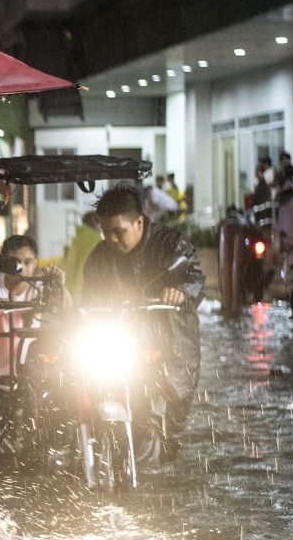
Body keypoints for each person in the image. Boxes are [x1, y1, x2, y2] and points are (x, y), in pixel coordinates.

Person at [81, 184, 204, 456]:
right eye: (105, 232)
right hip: (123, 344)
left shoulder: (170, 243)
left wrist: (180, 292)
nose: (111, 239)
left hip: (172, 348)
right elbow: (87, 302)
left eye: (119, 232)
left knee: (169, 432)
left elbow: (195, 278)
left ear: (139, 222)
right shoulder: (100, 257)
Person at [0, 233, 63, 383]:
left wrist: (58, 285)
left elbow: (61, 305)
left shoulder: (39, 289)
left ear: (35, 263)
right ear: (3, 263)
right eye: (15, 263)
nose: (21, 269)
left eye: (27, 263)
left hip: (29, 376)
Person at [62, 209, 103, 300]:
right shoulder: (95, 239)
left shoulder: (77, 238)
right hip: (84, 290)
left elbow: (68, 264)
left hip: (69, 288)